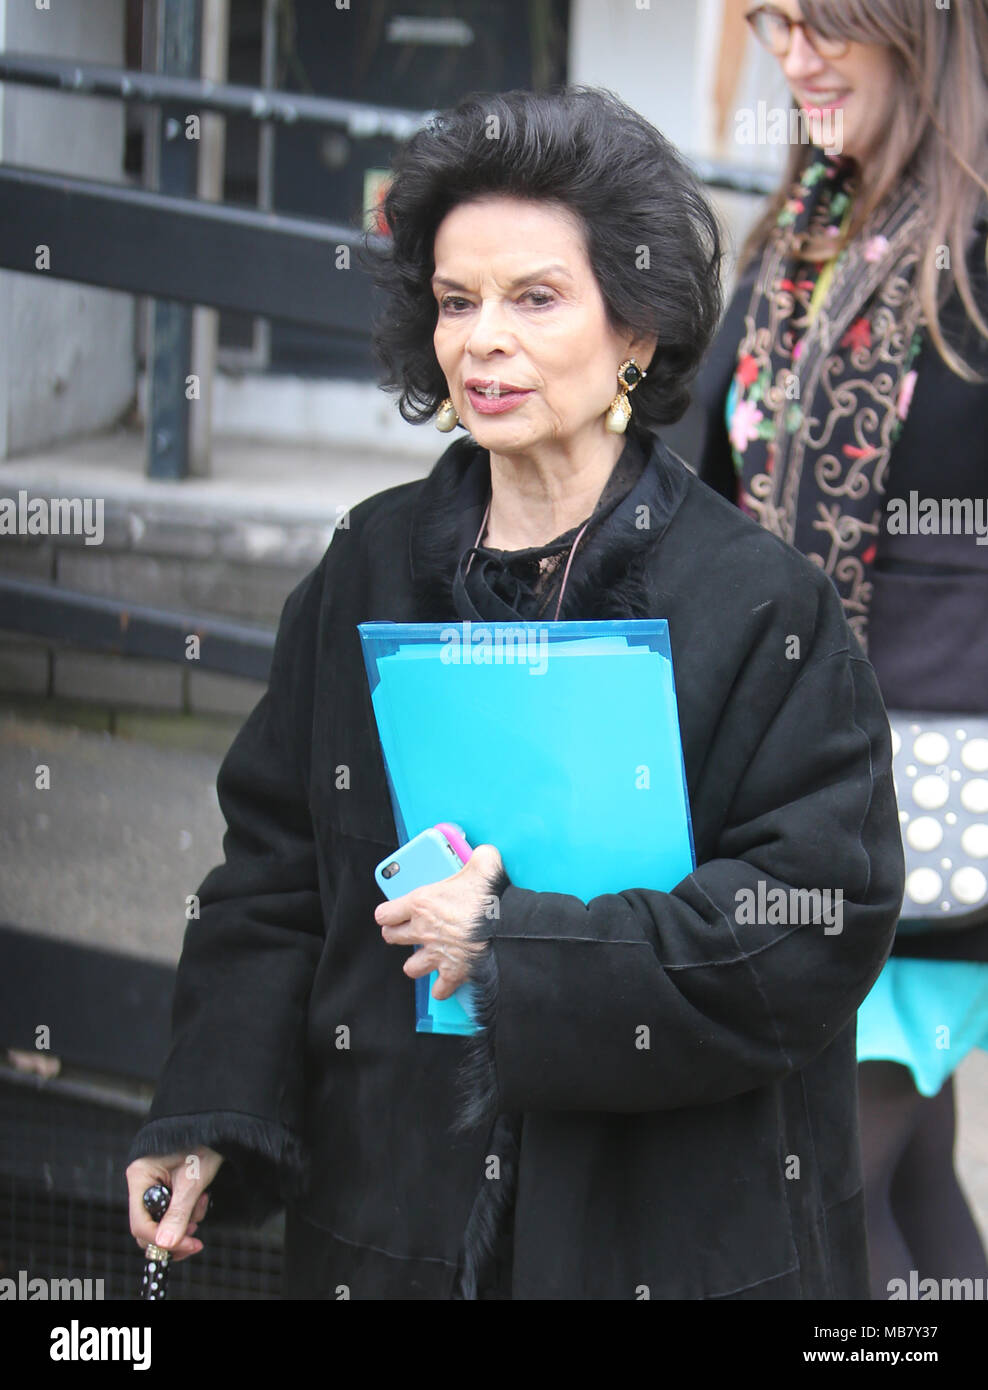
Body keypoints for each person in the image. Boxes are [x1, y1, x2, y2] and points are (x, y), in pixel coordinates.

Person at [126, 86, 904, 1300]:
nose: (482, 337)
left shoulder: (761, 605)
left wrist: (513, 944)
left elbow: (809, 918)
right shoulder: (365, 568)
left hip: (667, 1229)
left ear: (635, 332)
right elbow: (275, 871)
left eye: (535, 297)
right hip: (394, 1217)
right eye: (454, 299)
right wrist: (204, 1106)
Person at [694, 0, 988, 1299]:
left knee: (830, 1199)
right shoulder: (816, 219)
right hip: (808, 771)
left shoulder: (971, 248)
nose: (793, 59)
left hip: (927, 803)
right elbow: (712, 453)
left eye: (824, 26)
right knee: (909, 1174)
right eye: (772, 25)